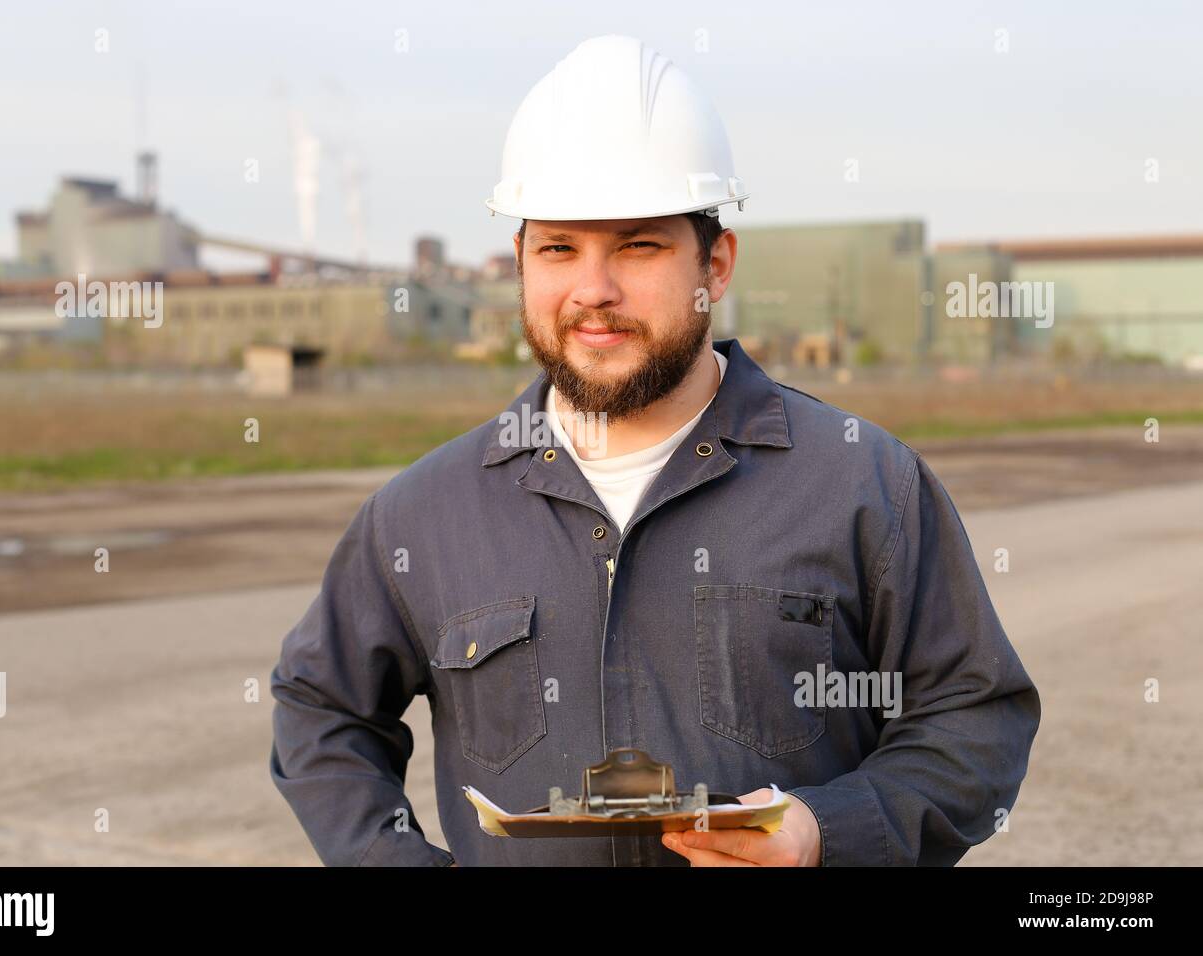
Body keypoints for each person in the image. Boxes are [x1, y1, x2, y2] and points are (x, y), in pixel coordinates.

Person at [269, 34, 1041, 867]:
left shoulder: (862, 483)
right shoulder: (424, 514)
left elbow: (975, 716)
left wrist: (830, 834)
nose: (593, 289)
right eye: (558, 247)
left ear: (716, 262)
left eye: (638, 246)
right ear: (521, 263)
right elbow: (322, 710)